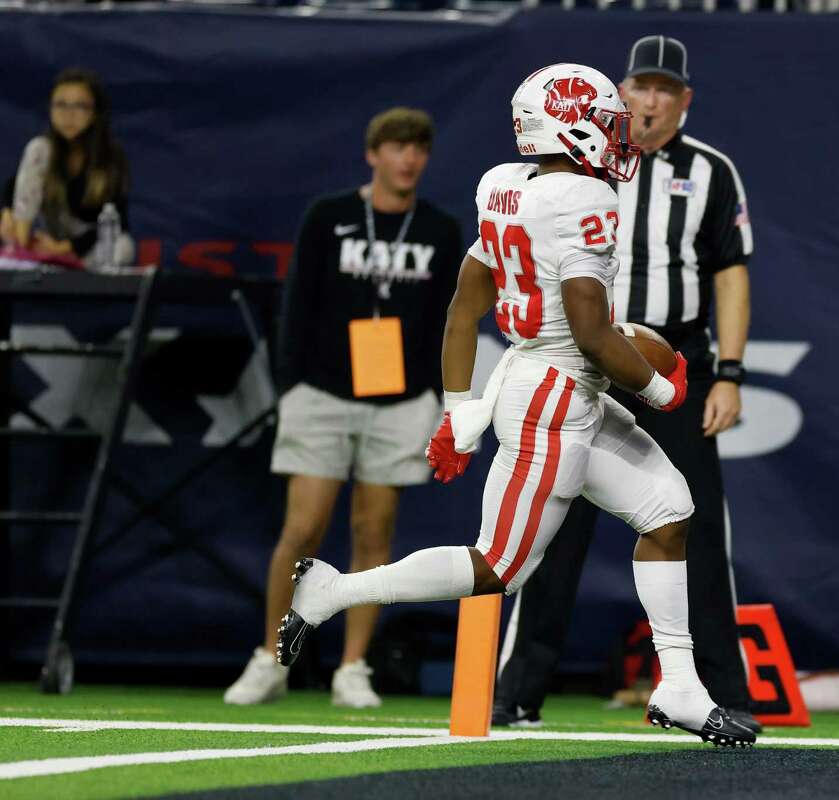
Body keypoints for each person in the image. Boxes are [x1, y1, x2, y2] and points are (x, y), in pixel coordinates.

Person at [274, 62, 755, 748]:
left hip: (547, 379)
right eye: (607, 121)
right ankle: (332, 592)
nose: (618, 135)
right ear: (571, 126)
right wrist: (660, 391)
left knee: (669, 511)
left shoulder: (505, 186)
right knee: (497, 568)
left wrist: (460, 406)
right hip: (555, 399)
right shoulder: (586, 201)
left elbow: (466, 308)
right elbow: (591, 332)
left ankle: (679, 685)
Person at [491, 35, 758, 733]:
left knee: (692, 528)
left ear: (684, 100)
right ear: (620, 90)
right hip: (578, 363)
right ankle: (515, 694)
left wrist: (727, 371)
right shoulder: (573, 158)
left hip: (669, 364)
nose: (651, 99)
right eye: (641, 85)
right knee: (554, 523)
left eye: (666, 89)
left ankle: (717, 691)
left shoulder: (710, 171)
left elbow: (730, 272)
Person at [224, 107, 460, 708]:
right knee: (302, 529)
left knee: (373, 530)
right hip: (323, 393)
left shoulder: (437, 228)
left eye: (418, 148)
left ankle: (352, 668)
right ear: (372, 154)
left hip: (402, 400)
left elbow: (445, 321)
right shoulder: (329, 216)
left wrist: (438, 396)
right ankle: (271, 659)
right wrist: (292, 384)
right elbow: (297, 301)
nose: (408, 158)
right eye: (396, 146)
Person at [0, 68, 134, 268]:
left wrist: (65, 247)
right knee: (38, 148)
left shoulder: (111, 157)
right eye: (60, 105)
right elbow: (17, 186)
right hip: (45, 237)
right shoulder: (43, 150)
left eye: (80, 106)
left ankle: (58, 261)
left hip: (84, 246)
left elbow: (116, 221)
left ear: (95, 113)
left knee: (124, 247)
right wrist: (7, 211)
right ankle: (19, 254)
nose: (68, 115)